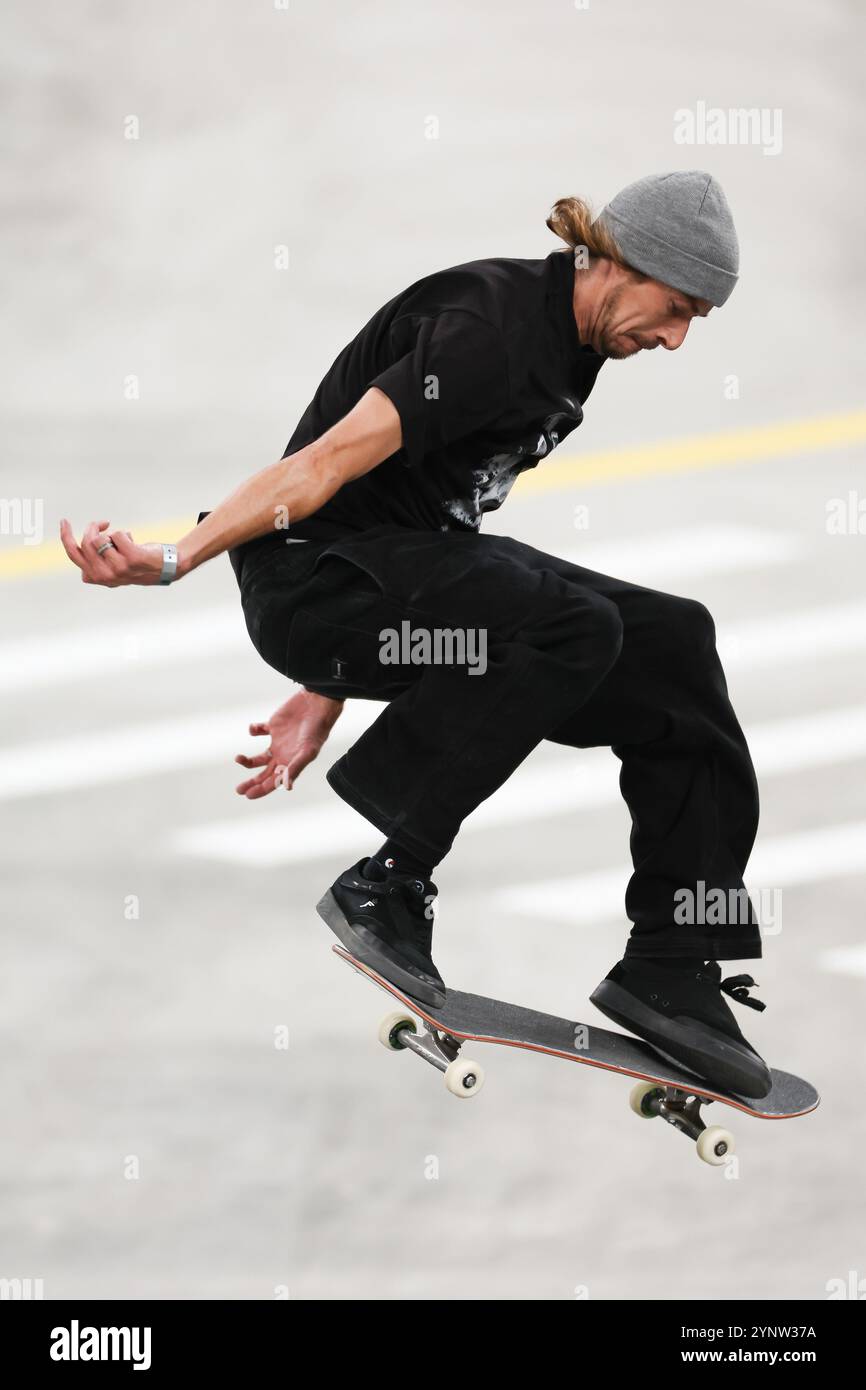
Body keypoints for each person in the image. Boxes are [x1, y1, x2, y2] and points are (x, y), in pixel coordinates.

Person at [61, 171, 771, 1098]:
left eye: (696, 324)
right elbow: (320, 469)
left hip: (377, 586)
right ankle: (388, 881)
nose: (674, 339)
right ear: (612, 263)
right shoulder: (490, 332)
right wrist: (173, 559)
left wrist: (331, 690)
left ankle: (675, 962)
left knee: (675, 641)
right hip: (312, 582)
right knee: (570, 625)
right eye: (673, 309)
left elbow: (432, 517)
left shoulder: (572, 343)